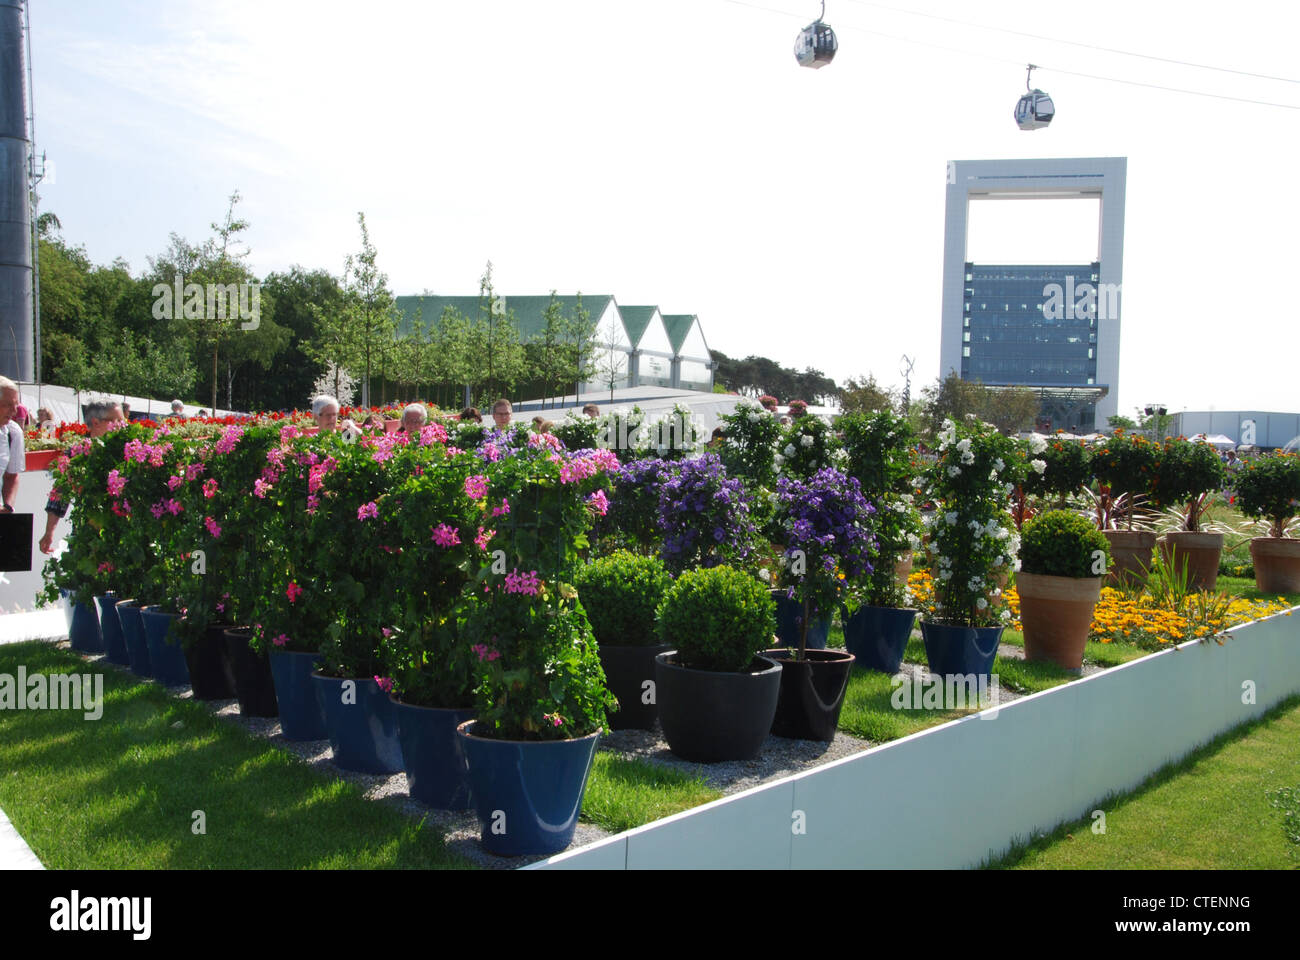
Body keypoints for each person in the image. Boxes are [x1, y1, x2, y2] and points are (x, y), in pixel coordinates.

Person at [39, 401, 126, 553]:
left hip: (124, 535)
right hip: (86, 536)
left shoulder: (129, 452)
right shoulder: (75, 454)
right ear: (96, 422)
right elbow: (59, 495)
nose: (123, 425)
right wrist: (49, 532)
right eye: (117, 420)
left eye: (124, 420)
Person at [0, 377, 25, 512]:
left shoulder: (13, 433)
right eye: (8, 404)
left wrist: (7, 507)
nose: (14, 411)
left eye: (16, 404)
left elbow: (11, 476)